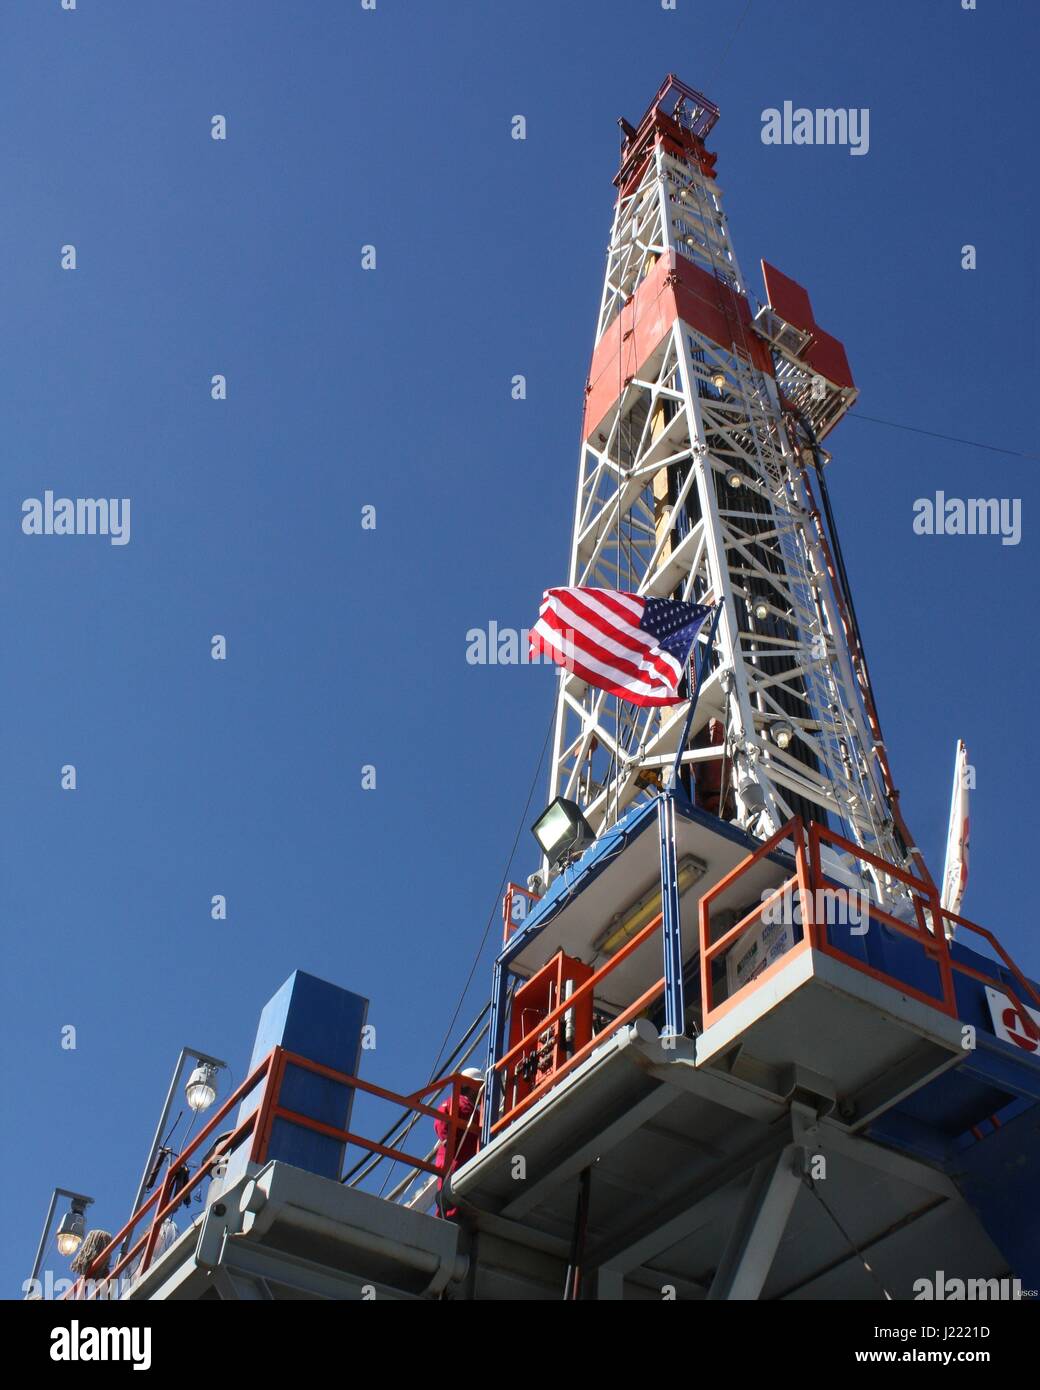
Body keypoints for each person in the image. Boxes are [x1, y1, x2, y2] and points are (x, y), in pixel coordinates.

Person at [433, 1067, 483, 1219]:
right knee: (450, 1198)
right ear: (471, 1085)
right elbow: (442, 1122)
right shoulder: (456, 1103)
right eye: (480, 1087)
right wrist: (449, 1140)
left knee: (454, 1199)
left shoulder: (476, 1112)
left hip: (463, 1162)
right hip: (454, 1161)